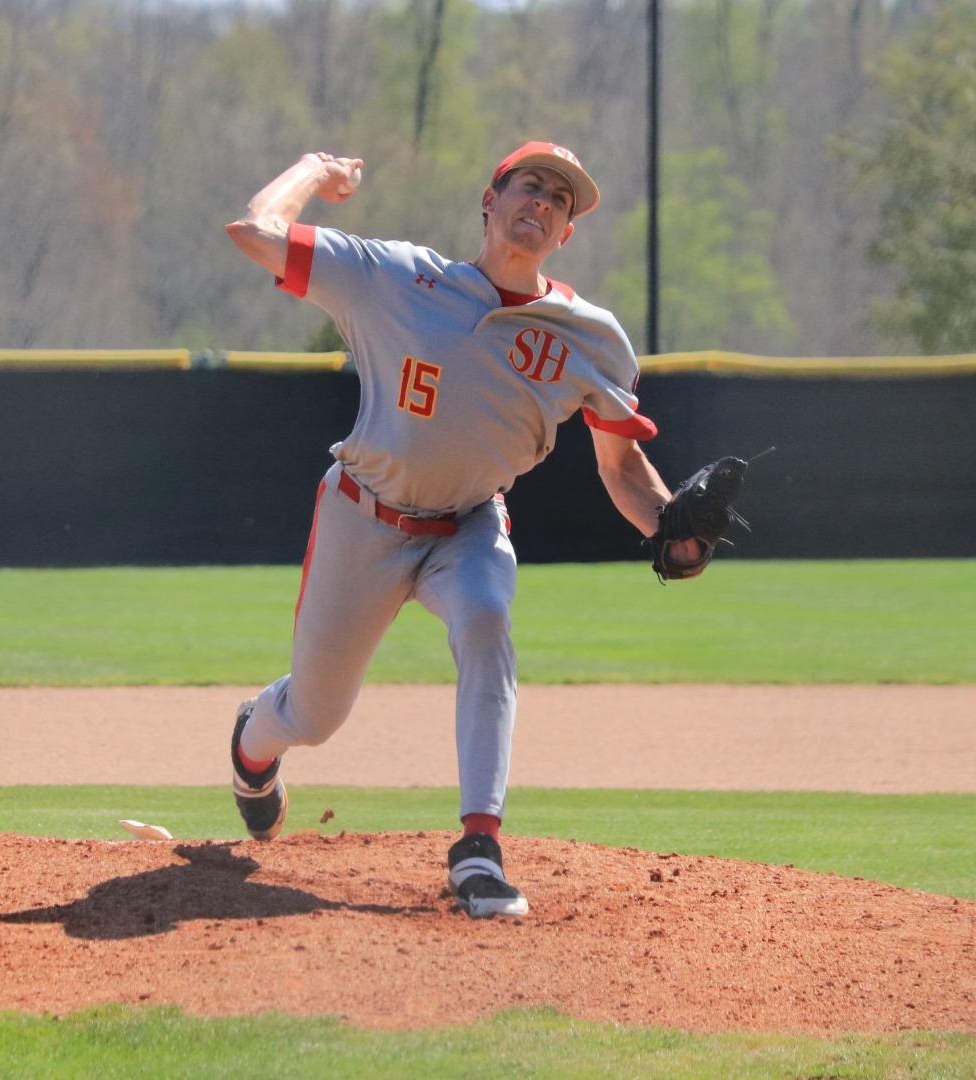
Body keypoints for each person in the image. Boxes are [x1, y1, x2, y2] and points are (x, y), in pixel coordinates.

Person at [223, 142, 699, 918]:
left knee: (486, 618)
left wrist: (674, 529)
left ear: (566, 233)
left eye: (560, 200)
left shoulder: (592, 338)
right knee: (314, 716)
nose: (542, 203)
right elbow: (254, 232)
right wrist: (317, 170)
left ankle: (479, 847)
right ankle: (253, 744)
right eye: (529, 185)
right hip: (363, 515)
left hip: (469, 525)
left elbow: (622, 472)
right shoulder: (396, 278)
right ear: (491, 198)